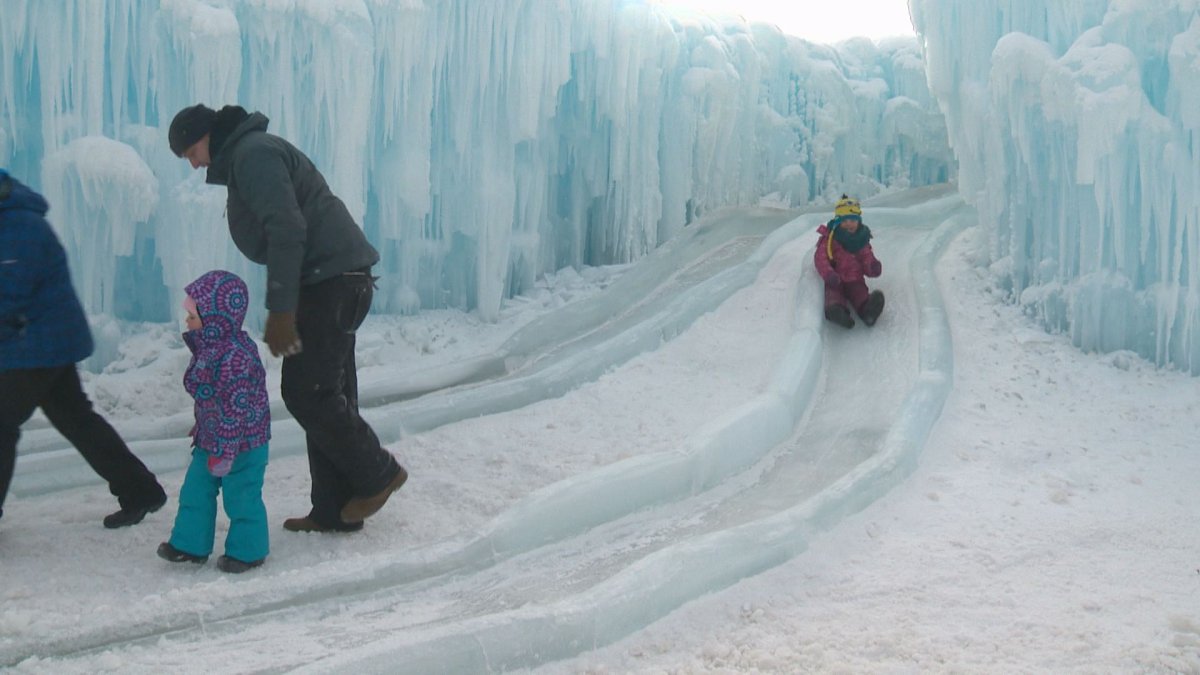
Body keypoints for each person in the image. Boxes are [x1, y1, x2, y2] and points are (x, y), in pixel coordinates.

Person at [167, 104, 407, 534]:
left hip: (328, 281)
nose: (194, 162)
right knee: (327, 391)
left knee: (306, 392)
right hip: (336, 278)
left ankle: (378, 473)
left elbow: (286, 228)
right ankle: (334, 508)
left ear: (207, 135)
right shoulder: (248, 153)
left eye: (191, 150)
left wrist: (281, 308)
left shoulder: (252, 154)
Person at [0, 169, 167, 528]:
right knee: (78, 421)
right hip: (42, 343)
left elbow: (10, 291)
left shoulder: (18, 226)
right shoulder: (12, 222)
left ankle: (141, 490)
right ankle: (141, 491)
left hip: (36, 344)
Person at [156, 270, 271, 573]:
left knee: (242, 497)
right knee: (195, 490)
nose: (187, 321)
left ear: (216, 317)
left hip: (243, 443)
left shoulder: (236, 357)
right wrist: (204, 426)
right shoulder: (211, 348)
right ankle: (189, 544)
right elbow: (210, 398)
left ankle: (249, 551)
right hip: (211, 439)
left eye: (192, 315)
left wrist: (226, 448)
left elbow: (235, 407)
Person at [814, 194, 885, 328]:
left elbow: (866, 257)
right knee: (834, 296)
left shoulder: (861, 239)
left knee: (860, 294)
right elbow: (820, 258)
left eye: (853, 220)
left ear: (859, 220)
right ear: (838, 221)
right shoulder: (831, 238)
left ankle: (868, 312)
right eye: (844, 220)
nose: (849, 224)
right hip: (836, 279)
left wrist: (873, 267)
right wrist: (828, 274)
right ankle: (837, 313)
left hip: (855, 279)